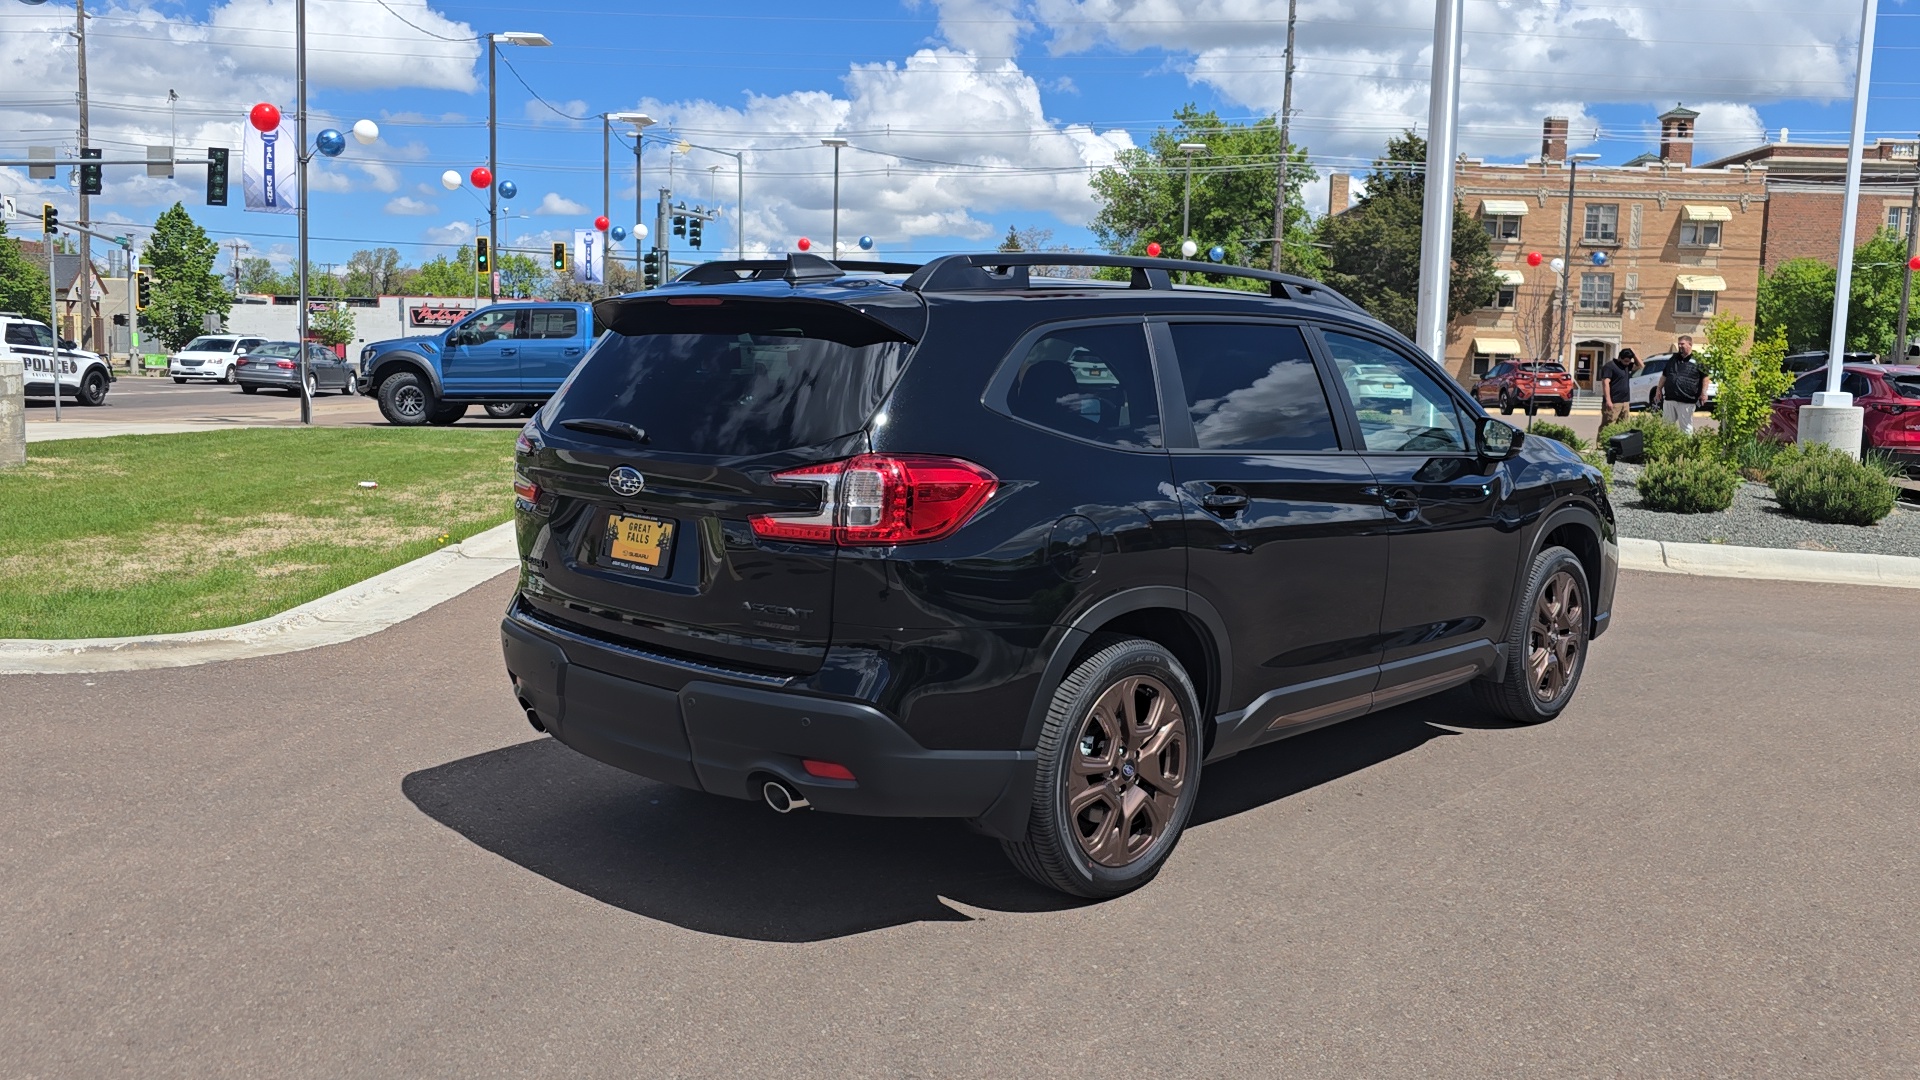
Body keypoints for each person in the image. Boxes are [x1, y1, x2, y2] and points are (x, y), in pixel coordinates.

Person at [1656, 335, 1710, 434]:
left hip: (1686, 400)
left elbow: (1705, 378)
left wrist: (1704, 393)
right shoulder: (1673, 359)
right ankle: (1666, 447)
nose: (1680, 346)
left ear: (1690, 345)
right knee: (1666, 426)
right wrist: (1659, 389)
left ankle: (1686, 448)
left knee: (1685, 428)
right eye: (1679, 344)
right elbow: (1665, 375)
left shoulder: (1698, 360)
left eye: (1682, 344)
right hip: (1670, 398)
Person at [1599, 348, 1638, 427]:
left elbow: (1641, 366)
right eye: (1625, 361)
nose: (1627, 363)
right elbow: (1605, 383)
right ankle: (1603, 440)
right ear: (1620, 358)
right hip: (1614, 402)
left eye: (1629, 361)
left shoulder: (1626, 366)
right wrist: (1608, 401)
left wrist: (1634, 355)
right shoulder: (1609, 366)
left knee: (1623, 427)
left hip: (1625, 402)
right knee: (1608, 426)